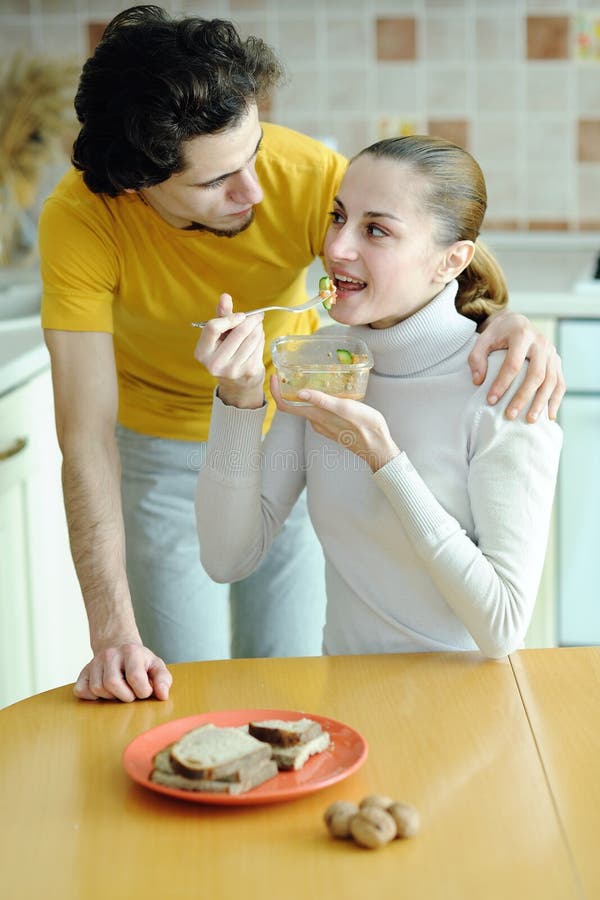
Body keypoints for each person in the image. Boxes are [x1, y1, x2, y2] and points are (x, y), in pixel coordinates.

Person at [39, 6, 563, 704]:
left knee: (279, 681)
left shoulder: (302, 178)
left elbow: (426, 235)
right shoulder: (82, 223)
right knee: (183, 691)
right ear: (140, 183)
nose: (255, 191)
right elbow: (89, 441)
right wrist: (112, 635)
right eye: (214, 183)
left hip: (302, 413)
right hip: (167, 436)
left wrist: (508, 317)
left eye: (253, 155)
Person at [195, 135, 563, 658]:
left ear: (451, 261)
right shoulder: (322, 364)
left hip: (468, 708)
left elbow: (502, 628)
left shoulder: (507, 385)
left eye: (376, 230)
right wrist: (238, 398)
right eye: (338, 217)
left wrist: (383, 459)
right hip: (346, 697)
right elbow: (227, 558)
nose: (338, 248)